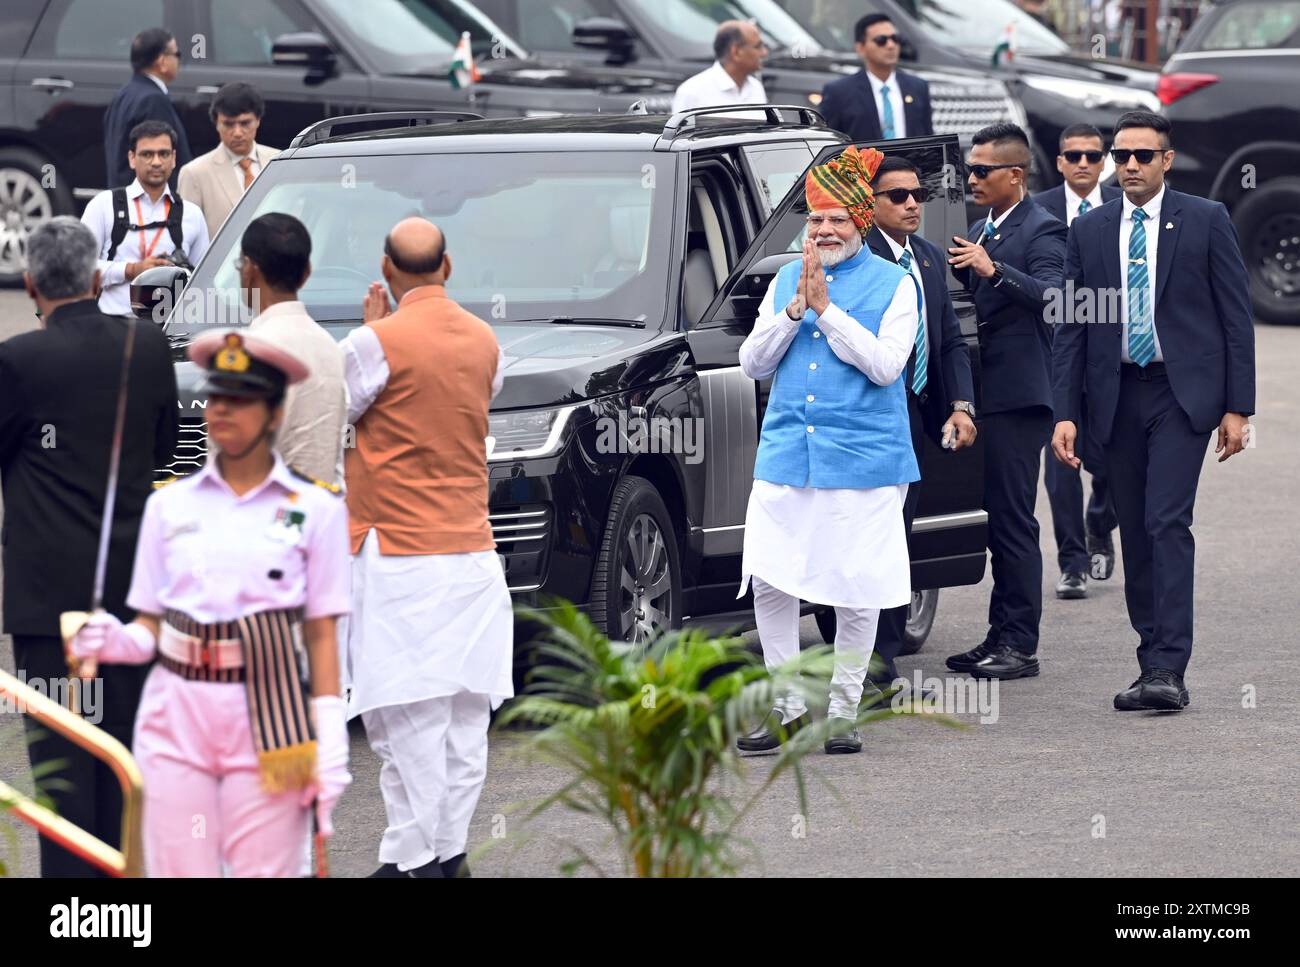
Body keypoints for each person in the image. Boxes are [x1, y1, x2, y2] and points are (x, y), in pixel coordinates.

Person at [67, 329, 352, 876]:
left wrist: (331, 733)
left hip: (268, 715)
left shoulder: (316, 511)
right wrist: (114, 640)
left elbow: (320, 635)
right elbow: (149, 626)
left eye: (239, 400)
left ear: (273, 413)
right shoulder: (168, 506)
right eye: (215, 396)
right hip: (176, 715)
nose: (220, 410)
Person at [1051, 111, 1254, 711]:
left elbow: (1235, 317)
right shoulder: (1089, 231)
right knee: (1136, 527)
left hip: (1179, 394)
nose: (1129, 166)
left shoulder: (1206, 219)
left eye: (1143, 155)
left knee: (1167, 522)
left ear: (1167, 160)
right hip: (1113, 395)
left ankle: (1169, 666)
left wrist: (1238, 408)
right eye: (1122, 156)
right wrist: (1065, 410)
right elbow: (1071, 325)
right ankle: (1149, 660)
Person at [0, 217, 177, 877]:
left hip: (49, 606)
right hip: (133, 596)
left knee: (64, 775)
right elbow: (163, 448)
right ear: (97, 274)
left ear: (31, 284)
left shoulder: (18, 360)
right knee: (127, 764)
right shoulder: (148, 346)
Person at [735, 146, 921, 756]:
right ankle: (785, 705)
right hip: (787, 451)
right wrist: (795, 310)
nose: (825, 230)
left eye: (838, 218)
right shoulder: (787, 278)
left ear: (862, 221)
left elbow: (886, 366)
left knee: (855, 585)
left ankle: (842, 710)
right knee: (770, 579)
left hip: (865, 458)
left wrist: (829, 313)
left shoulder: (896, 283)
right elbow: (752, 362)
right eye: (816, 219)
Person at [342, 218, 512, 877]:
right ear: (449, 267)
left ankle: (413, 859)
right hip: (471, 550)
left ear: (387, 270)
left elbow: (335, 411)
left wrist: (372, 329)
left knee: (405, 718)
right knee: (464, 718)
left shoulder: (370, 343)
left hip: (400, 554)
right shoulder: (485, 338)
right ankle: (447, 851)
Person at [944, 122, 1066, 681]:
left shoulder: (1043, 229)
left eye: (982, 170)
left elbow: (1055, 298)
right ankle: (1000, 633)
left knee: (1014, 519)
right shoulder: (980, 227)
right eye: (969, 169)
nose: (971, 178)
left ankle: (1021, 643)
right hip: (982, 394)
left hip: (1019, 398)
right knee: (995, 516)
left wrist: (994, 271)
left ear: (1015, 175)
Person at [864, 155, 976, 690]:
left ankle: (881, 656)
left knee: (898, 538)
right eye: (898, 196)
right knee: (872, 538)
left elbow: (950, 340)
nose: (912, 204)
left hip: (919, 413)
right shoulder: (859, 261)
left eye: (917, 194)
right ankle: (867, 659)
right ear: (870, 204)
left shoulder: (929, 259)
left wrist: (961, 405)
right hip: (872, 418)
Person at [1034, 123, 1123, 598]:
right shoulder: (1038, 209)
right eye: (1075, 156)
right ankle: (1072, 562)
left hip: (1112, 353)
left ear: (1104, 160)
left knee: (1113, 460)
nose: (1084, 163)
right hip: (1054, 352)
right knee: (1061, 461)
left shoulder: (1122, 205)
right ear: (1061, 161)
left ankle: (1100, 522)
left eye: (1093, 155)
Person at [238, 213, 345, 486]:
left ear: (250, 269)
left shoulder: (250, 351)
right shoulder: (332, 349)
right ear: (307, 272)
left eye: (240, 265)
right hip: (318, 514)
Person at [82, 120, 210, 318]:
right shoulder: (104, 205)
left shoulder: (191, 214)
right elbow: (80, 268)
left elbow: (203, 280)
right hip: (113, 325)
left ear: (174, 158)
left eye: (164, 154)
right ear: (132, 158)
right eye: (147, 154)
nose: (156, 162)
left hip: (168, 331)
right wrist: (131, 270)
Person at [179, 82, 281, 236]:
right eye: (228, 124)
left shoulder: (280, 162)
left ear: (258, 120)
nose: (238, 132)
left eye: (245, 123)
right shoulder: (195, 173)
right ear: (216, 124)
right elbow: (186, 236)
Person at [818, 14, 933, 143]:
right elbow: (828, 144)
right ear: (861, 48)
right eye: (881, 40)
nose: (890, 45)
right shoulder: (839, 92)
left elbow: (928, 141)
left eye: (895, 39)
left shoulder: (918, 87)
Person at [103, 28, 192, 189]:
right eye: (176, 54)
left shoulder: (124, 94)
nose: (178, 60)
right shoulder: (153, 100)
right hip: (149, 205)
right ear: (162, 61)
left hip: (123, 198)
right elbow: (158, 162)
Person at [671, 21, 768, 115]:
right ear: (736, 52)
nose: (764, 53)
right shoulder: (691, 92)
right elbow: (676, 130)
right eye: (758, 47)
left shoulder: (756, 88)